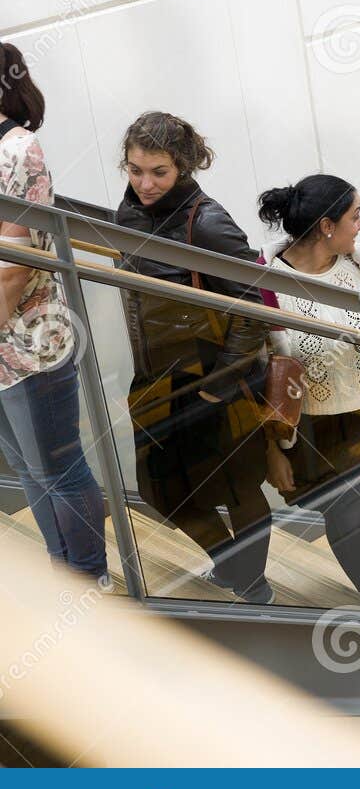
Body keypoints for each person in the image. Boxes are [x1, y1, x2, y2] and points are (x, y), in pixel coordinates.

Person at [117, 112, 271, 603]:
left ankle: (254, 585)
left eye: (158, 172)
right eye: (135, 169)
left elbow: (255, 300)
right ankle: (232, 565)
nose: (144, 183)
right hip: (157, 376)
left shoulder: (205, 221)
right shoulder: (130, 212)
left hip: (213, 373)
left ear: (183, 167)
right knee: (158, 489)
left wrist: (221, 381)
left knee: (239, 484)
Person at [257, 174, 360, 613]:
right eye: (356, 216)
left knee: (354, 517)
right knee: (342, 517)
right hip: (315, 429)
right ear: (327, 226)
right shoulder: (266, 286)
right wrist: (273, 447)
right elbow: (265, 374)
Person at [0, 44, 107, 582]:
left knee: (59, 469)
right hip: (3, 345)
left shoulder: (18, 150)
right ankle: (60, 571)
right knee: (27, 469)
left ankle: (89, 580)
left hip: (28, 338)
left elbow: (14, 266)